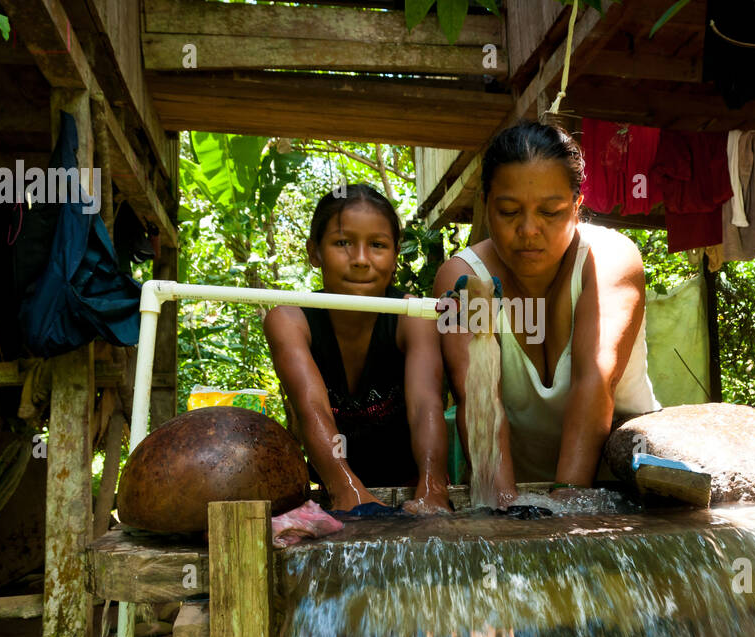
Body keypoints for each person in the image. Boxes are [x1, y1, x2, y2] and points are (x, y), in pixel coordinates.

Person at [433, 120, 659, 506]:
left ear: (576, 207)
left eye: (551, 212)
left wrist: (567, 501)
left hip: (625, 489)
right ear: (487, 206)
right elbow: (476, 395)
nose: (529, 230)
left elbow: (596, 379)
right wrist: (503, 506)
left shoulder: (611, 258)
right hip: (518, 491)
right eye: (508, 211)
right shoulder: (463, 277)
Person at [264, 184, 450, 514]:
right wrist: (345, 489)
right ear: (314, 252)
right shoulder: (290, 321)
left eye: (377, 245)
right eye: (343, 243)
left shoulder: (414, 317)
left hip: (408, 490)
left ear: (395, 255)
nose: (361, 260)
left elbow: (426, 407)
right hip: (332, 490)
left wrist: (433, 489)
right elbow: (313, 411)